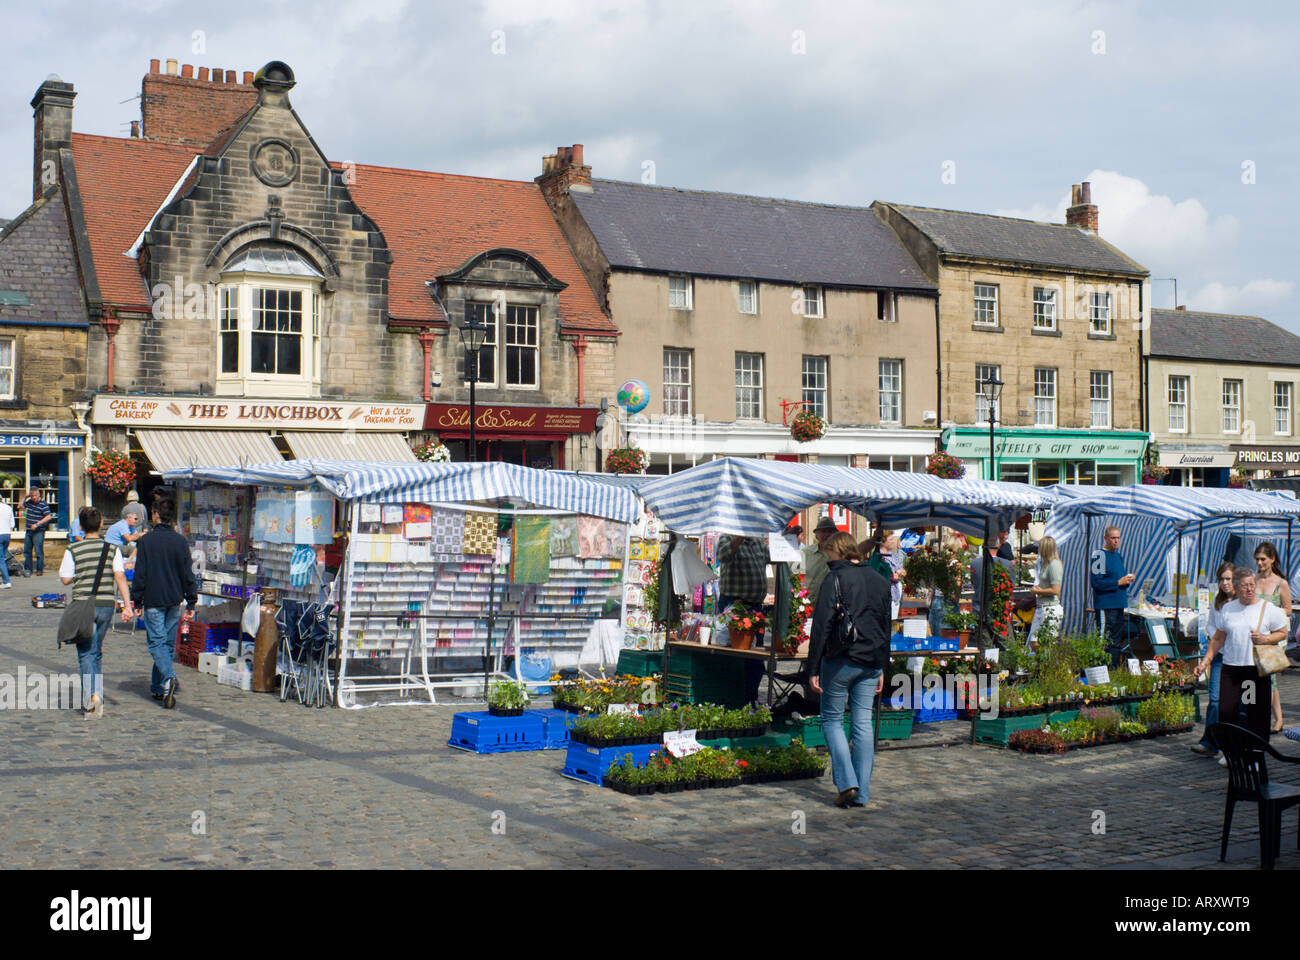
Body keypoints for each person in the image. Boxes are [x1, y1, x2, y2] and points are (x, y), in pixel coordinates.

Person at [807, 532, 890, 809]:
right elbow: (885, 625)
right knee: (863, 723)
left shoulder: (836, 578)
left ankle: (847, 784)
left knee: (831, 720)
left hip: (841, 659)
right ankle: (862, 792)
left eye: (829, 556)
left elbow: (822, 625)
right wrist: (882, 666)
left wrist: (813, 666)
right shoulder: (880, 580)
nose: (828, 561)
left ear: (838, 552)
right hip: (871, 660)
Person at [1196, 567, 1289, 741]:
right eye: (1245, 585)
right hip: (1231, 670)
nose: (1249, 589)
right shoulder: (1228, 609)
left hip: (1251, 672)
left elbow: (1282, 633)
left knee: (1252, 711)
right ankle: (1231, 751)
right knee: (1226, 712)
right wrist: (1205, 662)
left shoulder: (1267, 608)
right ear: (1236, 588)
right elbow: (1217, 639)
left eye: (1252, 585)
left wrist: (1265, 638)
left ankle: (1254, 753)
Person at [59, 507, 135, 719]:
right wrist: (127, 605)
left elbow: (65, 578)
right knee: (96, 650)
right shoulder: (112, 549)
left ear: (81, 527)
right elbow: (119, 576)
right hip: (105, 604)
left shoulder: (73, 549)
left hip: (83, 604)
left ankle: (92, 699)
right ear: (101, 524)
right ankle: (97, 694)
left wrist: (82, 574)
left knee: (85, 652)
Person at [130, 496, 197, 709]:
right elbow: (188, 573)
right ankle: (159, 688)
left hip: (154, 598)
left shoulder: (147, 541)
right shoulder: (180, 541)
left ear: (156, 515)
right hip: (174, 598)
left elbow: (141, 572)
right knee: (166, 644)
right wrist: (192, 601)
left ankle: (168, 676)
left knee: (156, 643)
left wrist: (136, 599)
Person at [717, 534, 771, 703]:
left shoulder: (758, 543)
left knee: (756, 657)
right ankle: (732, 699)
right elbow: (723, 556)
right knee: (733, 656)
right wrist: (739, 538)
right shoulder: (726, 539)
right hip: (734, 605)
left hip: (756, 607)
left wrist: (787, 540)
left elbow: (774, 558)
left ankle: (750, 698)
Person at [1190, 562, 1234, 758]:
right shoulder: (1218, 603)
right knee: (1215, 701)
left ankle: (1235, 746)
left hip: (1240, 662)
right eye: (1222, 579)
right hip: (1220, 657)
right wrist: (1204, 663)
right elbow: (1212, 632)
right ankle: (1210, 741)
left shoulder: (1243, 602)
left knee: (1240, 704)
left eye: (1228, 579)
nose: (1225, 583)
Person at [1253, 542, 1291, 733]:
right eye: (1257, 559)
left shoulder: (1280, 583)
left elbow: (1288, 609)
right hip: (1256, 633)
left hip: (1275, 635)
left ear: (1272, 559)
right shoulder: (1254, 579)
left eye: (1263, 559)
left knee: (1270, 673)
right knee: (1260, 675)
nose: (1259, 563)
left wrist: (1270, 611)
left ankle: (1277, 719)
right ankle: (1274, 717)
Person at [1090, 525, 1135, 661]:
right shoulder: (1099, 556)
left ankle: (1113, 672)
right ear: (1105, 538)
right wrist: (1117, 582)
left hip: (1119, 604)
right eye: (1113, 538)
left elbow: (1118, 579)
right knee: (1104, 641)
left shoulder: (1118, 556)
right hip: (1106, 606)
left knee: (1115, 642)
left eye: (1118, 538)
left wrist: (1126, 580)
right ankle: (1099, 671)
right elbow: (1096, 582)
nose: (1116, 541)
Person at [970, 534, 1014, 642]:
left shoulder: (974, 563)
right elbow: (1011, 587)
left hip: (979, 612)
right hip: (999, 614)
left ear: (984, 545)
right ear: (998, 545)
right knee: (1007, 649)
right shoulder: (1007, 564)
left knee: (984, 650)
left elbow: (974, 583)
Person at [1027, 536, 1063, 649]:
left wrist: (1039, 591)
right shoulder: (1046, 564)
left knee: (1047, 644)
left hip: (1050, 608)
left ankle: (1049, 664)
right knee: (1034, 642)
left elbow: (1055, 590)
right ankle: (1042, 664)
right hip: (1042, 607)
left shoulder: (1054, 565)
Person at [866, 528, 905, 620]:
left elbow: (903, 571)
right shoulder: (878, 557)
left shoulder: (892, 555)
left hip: (895, 596)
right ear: (883, 542)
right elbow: (891, 576)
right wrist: (896, 574)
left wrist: (899, 573)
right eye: (890, 539)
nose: (893, 542)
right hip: (885, 598)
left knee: (892, 623)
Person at [801, 516, 837, 608]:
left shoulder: (840, 555)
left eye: (830, 531)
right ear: (817, 534)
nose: (827, 535)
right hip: (808, 607)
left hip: (831, 607)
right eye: (823, 531)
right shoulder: (805, 553)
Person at [21, 485, 52, 576]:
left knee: (38, 551)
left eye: (35, 496)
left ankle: (39, 570)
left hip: (38, 531)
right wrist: (25, 497)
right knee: (27, 551)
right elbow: (19, 506)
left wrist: (37, 524)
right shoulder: (29, 502)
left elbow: (48, 517)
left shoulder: (43, 504)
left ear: (39, 495)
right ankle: (28, 569)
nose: (33, 498)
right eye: (32, 496)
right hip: (29, 530)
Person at [0, 496, 13, 589]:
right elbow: (12, 524)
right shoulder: (8, 508)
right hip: (7, 535)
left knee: (0, 559)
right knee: (2, 558)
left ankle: (6, 581)